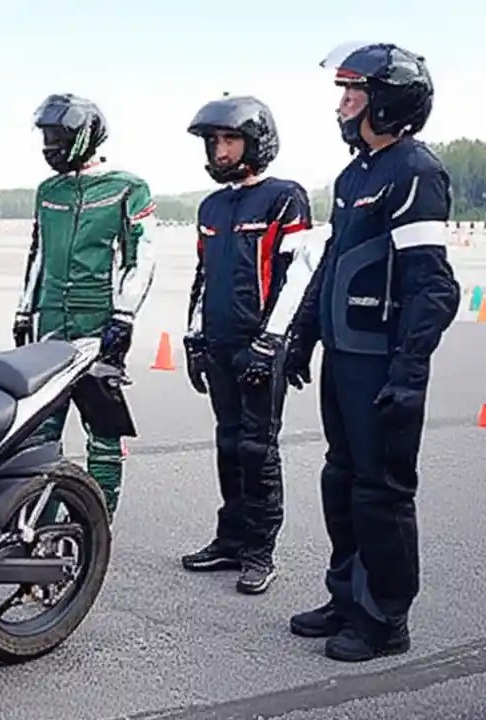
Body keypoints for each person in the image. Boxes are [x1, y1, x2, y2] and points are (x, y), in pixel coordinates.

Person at [282, 42, 460, 662]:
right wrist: (302, 336)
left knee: (381, 490)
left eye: (352, 91)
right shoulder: (357, 174)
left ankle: (386, 617)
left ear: (386, 100)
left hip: (383, 360)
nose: (342, 103)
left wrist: (409, 372)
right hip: (344, 355)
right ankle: (347, 597)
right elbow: (332, 262)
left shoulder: (415, 171)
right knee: (342, 480)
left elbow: (431, 283)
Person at [178, 94, 318, 595]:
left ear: (256, 142)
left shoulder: (285, 197)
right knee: (228, 444)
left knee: (258, 448)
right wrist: (193, 336)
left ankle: (260, 550)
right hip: (217, 343)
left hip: (258, 344)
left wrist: (271, 341)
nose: (220, 150)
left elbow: (298, 277)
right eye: (215, 141)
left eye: (230, 140)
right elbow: (202, 275)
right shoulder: (211, 205)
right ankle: (230, 540)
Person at [13, 93, 157, 524]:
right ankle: (40, 522)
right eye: (46, 135)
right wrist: (24, 311)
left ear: (82, 136)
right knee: (41, 431)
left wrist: (124, 316)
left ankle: (97, 523)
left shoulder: (127, 188)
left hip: (99, 324)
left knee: (104, 431)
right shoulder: (48, 191)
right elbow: (37, 254)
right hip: (48, 321)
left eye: (56, 136)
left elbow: (141, 257)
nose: (49, 144)